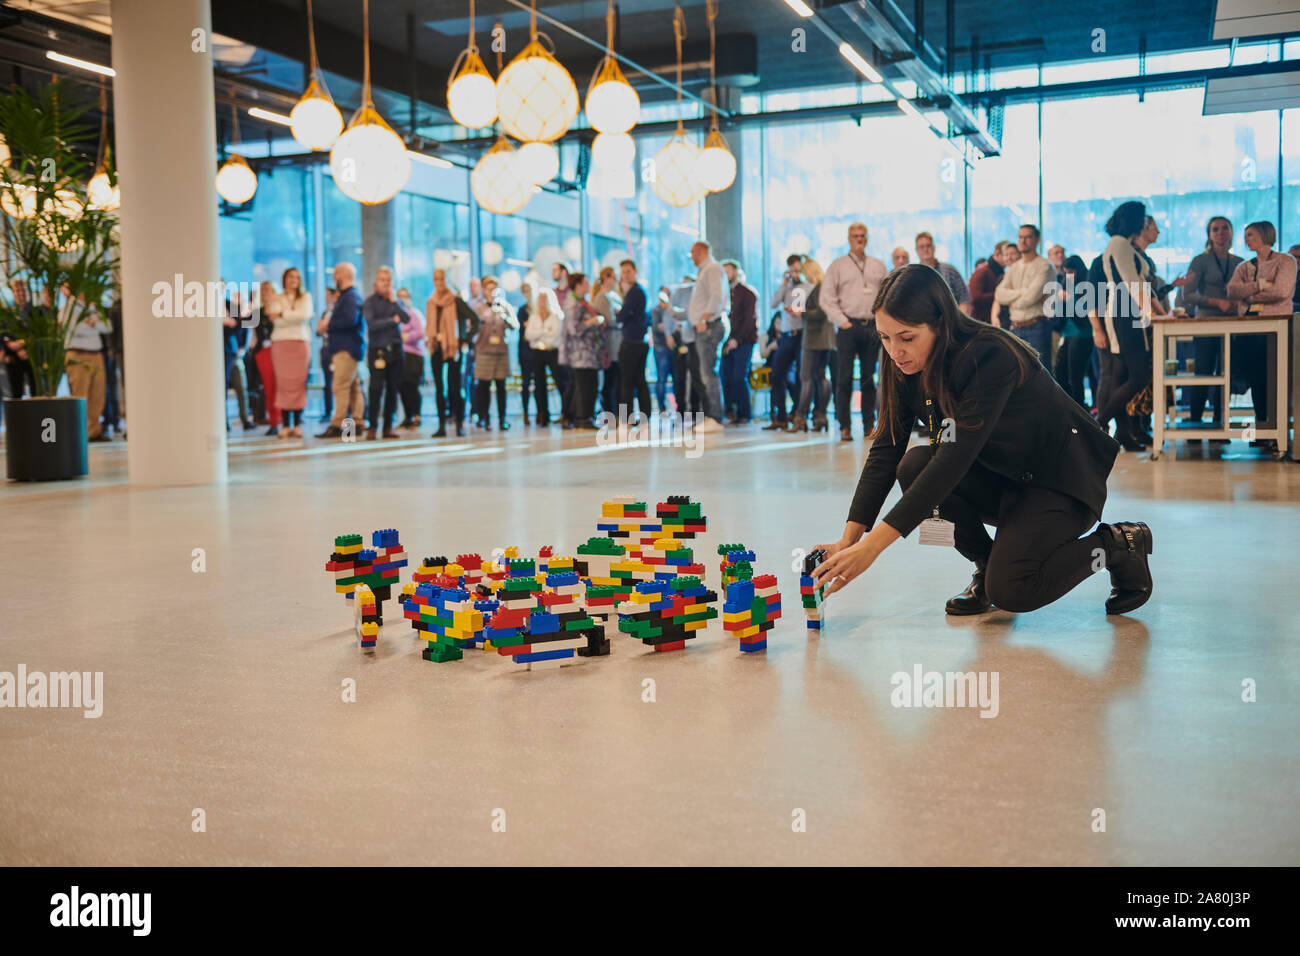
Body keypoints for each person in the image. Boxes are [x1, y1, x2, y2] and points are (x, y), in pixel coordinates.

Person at [809, 264, 1153, 619]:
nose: (895, 350)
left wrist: (872, 549)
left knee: (1013, 591)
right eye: (884, 337)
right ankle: (986, 565)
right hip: (1003, 475)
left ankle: (1118, 544)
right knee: (913, 465)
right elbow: (887, 448)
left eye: (907, 337)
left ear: (941, 324)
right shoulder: (903, 362)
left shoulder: (989, 355)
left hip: (1060, 483)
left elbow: (951, 462)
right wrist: (848, 541)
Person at [1225, 220, 1297, 453]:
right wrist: (1261, 285)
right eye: (1245, 235)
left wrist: (1250, 296)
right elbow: (1232, 291)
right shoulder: (1245, 266)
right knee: (1257, 379)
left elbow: (1282, 291)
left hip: (1277, 327)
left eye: (1251, 234)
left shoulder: (1286, 261)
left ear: (1266, 235)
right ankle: (1263, 431)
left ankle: (1278, 432)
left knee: (1276, 378)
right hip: (1251, 330)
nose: (1247, 239)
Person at [1096, 201, 1156, 452]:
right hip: (1124, 313)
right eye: (1143, 219)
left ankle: (1123, 434)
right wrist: (1151, 314)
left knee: (1122, 374)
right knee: (1139, 376)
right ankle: (1097, 424)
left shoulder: (1123, 244)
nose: (1145, 224)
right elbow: (1132, 283)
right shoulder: (1119, 243)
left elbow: (1138, 283)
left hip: (1128, 311)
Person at [821, 222, 887, 441]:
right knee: (844, 378)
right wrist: (842, 322)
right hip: (847, 327)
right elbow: (826, 299)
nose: (859, 239)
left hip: (871, 326)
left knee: (869, 377)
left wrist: (881, 321)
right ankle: (844, 426)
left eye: (862, 236)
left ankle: (869, 425)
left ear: (867, 239)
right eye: (855, 236)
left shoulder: (877, 265)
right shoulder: (838, 266)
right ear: (849, 239)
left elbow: (887, 294)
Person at [1176, 216, 1243, 430]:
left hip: (1232, 324)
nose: (1220, 232)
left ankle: (1219, 421)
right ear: (1209, 235)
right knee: (1203, 371)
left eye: (1225, 228)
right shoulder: (1199, 261)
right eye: (1215, 229)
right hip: (1206, 323)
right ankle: (1195, 420)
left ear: (1231, 232)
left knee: (1227, 371)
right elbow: (1188, 293)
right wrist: (1216, 302)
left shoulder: (1239, 262)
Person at [993, 224, 1055, 364]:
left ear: (1037, 240)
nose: (1023, 241)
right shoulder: (1014, 267)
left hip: (1037, 327)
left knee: (1041, 375)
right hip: (1015, 327)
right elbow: (999, 295)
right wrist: (1023, 291)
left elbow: (1030, 298)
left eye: (1028, 237)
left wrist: (1012, 296)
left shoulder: (1044, 265)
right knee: (1018, 375)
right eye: (1020, 237)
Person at [318, 263, 365, 439]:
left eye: (336, 274)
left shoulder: (351, 297)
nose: (333, 277)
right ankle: (357, 424)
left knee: (340, 386)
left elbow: (349, 321)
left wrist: (329, 324)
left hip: (347, 348)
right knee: (353, 388)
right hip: (348, 347)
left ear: (343, 275)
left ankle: (339, 425)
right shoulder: (347, 297)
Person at [424, 268, 472, 438]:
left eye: (442, 279)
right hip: (436, 346)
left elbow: (475, 319)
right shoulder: (431, 302)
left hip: (453, 347)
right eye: (436, 279)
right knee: (439, 388)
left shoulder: (456, 300)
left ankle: (459, 424)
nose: (439, 282)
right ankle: (441, 425)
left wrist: (464, 339)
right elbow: (430, 324)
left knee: (455, 387)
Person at [362, 265, 409, 440]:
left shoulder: (396, 301)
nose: (385, 283)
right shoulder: (370, 302)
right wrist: (392, 321)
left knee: (393, 389)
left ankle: (388, 427)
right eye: (382, 280)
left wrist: (394, 302)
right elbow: (372, 324)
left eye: (388, 280)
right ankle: (373, 426)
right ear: (376, 282)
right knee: (375, 389)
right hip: (377, 351)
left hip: (396, 351)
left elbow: (406, 318)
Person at [688, 240, 728, 432]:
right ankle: (711, 415)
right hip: (705, 325)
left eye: (693, 253)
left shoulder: (712, 268)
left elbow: (716, 295)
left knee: (708, 373)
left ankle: (715, 417)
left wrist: (704, 318)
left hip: (710, 325)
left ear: (702, 251)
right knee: (705, 373)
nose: (692, 257)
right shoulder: (706, 270)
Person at [268, 267, 313, 438]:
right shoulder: (276, 298)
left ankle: (298, 423)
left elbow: (304, 316)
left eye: (296, 277)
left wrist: (282, 314)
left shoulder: (306, 297)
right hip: (281, 342)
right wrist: (292, 316)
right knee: (284, 383)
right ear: (284, 279)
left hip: (300, 342)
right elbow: (276, 321)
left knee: (299, 382)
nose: (293, 280)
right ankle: (286, 424)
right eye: (290, 277)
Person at [766, 254, 807, 430]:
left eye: (797, 270)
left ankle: (798, 414)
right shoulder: (786, 287)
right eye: (791, 270)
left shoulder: (808, 286)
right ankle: (781, 417)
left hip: (802, 334)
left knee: (801, 376)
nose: (794, 274)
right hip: (786, 335)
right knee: (776, 375)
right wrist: (784, 284)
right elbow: (773, 303)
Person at [791, 258, 833, 432]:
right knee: (820, 376)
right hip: (825, 337)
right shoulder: (823, 286)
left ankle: (800, 416)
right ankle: (820, 415)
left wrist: (803, 313)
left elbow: (822, 311)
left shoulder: (821, 287)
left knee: (806, 377)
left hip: (815, 335)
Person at [474, 276, 519, 431]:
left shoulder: (505, 307)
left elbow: (515, 326)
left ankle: (502, 419)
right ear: (484, 290)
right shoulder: (479, 308)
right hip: (484, 351)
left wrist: (504, 315)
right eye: (488, 289)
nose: (491, 292)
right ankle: (484, 418)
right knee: (483, 386)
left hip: (501, 351)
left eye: (494, 289)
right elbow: (473, 329)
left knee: (501, 387)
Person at [63, 292, 109, 442]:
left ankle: (94, 432)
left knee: (98, 396)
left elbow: (107, 327)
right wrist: (96, 324)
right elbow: (77, 330)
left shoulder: (93, 307)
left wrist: (93, 323)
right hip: (78, 355)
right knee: (80, 395)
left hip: (96, 354)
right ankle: (80, 432)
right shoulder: (69, 308)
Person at [562, 272, 604, 429]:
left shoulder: (581, 301)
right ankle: (581, 417)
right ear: (578, 285)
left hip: (588, 352)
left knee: (587, 384)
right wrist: (592, 322)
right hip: (579, 353)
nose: (588, 286)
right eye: (585, 283)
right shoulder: (573, 303)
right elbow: (574, 329)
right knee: (583, 385)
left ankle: (581, 416)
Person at [1051, 255, 1094, 409]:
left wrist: (1069, 299)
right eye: (1065, 272)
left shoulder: (1087, 285)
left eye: (1071, 272)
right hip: (1067, 334)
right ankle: (1069, 409)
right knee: (1061, 374)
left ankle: (1079, 411)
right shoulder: (1066, 285)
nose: (1068, 275)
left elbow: (1087, 312)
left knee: (1076, 377)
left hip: (1082, 335)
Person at [721, 259, 757, 425]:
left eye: (728, 271)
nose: (726, 274)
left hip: (744, 341)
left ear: (736, 272)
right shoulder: (722, 294)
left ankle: (744, 413)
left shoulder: (747, 293)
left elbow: (749, 321)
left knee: (738, 376)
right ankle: (730, 411)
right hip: (725, 342)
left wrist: (737, 339)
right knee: (725, 376)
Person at [615, 259, 651, 422]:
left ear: (635, 272)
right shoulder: (637, 291)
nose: (626, 275)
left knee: (628, 383)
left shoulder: (634, 292)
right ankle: (644, 417)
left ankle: (626, 419)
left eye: (628, 271)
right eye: (623, 272)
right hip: (638, 342)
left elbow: (621, 316)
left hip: (631, 343)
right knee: (639, 381)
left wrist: (619, 312)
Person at [663, 275, 702, 418]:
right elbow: (669, 315)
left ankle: (695, 410)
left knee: (695, 375)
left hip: (694, 339)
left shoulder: (698, 294)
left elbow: (685, 314)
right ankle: (681, 409)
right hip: (679, 339)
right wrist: (669, 333)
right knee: (679, 376)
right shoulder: (677, 294)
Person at [525, 286, 563, 426]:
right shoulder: (533, 317)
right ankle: (543, 414)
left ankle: (565, 412)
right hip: (537, 353)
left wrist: (539, 333)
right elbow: (529, 335)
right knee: (539, 384)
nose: (542, 301)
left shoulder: (556, 316)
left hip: (552, 351)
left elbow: (555, 335)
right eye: (540, 298)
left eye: (544, 298)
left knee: (559, 381)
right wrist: (544, 331)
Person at [248, 281, 280, 436]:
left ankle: (286, 420)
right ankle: (274, 421)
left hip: (280, 350)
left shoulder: (280, 310)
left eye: (268, 289)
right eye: (263, 290)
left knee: (282, 386)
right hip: (263, 352)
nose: (265, 292)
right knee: (269, 388)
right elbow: (250, 331)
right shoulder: (256, 312)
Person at [915, 232, 971, 315]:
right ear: (916, 250)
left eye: (928, 246)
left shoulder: (950, 271)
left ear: (934, 248)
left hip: (950, 321)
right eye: (921, 247)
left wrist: (959, 324)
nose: (925, 249)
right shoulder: (913, 276)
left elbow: (964, 300)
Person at [223, 291, 255, 431]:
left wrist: (243, 348)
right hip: (221, 355)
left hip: (234, 354)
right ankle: (223, 421)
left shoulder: (231, 308)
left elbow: (239, 326)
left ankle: (245, 419)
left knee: (242, 388)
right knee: (222, 389)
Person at [592, 266, 622, 415]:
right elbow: (610, 320)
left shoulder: (614, 295)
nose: (616, 280)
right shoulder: (602, 297)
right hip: (610, 344)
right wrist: (622, 318)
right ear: (606, 278)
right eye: (613, 277)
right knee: (611, 378)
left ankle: (615, 411)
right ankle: (610, 411)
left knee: (616, 378)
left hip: (617, 342)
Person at [396, 287, 425, 430]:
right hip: (400, 356)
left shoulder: (414, 313)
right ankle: (407, 417)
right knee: (402, 387)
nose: (402, 299)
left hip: (414, 355)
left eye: (405, 296)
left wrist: (407, 337)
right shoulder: (397, 315)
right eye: (399, 296)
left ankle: (417, 416)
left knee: (412, 386)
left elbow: (420, 332)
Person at [649, 285, 675, 413]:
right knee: (661, 378)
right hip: (661, 347)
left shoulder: (672, 310)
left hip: (673, 348)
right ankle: (661, 407)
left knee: (676, 378)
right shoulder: (655, 310)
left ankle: (677, 406)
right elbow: (657, 327)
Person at [968, 242, 1006, 325]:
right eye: (1006, 254)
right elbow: (975, 297)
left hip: (991, 321)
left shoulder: (998, 271)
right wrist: (1000, 294)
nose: (1009, 258)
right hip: (981, 322)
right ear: (997, 254)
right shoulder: (983, 271)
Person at [315, 288, 337, 424]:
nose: (326, 298)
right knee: (327, 382)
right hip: (325, 348)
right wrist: (322, 327)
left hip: (336, 348)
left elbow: (331, 328)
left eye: (329, 295)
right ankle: (328, 411)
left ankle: (344, 414)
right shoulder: (325, 313)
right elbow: (319, 331)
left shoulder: (339, 311)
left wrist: (325, 326)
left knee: (339, 383)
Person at [517, 282, 535, 425]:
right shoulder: (522, 311)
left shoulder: (539, 309)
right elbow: (525, 330)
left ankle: (542, 412)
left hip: (537, 349)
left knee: (539, 382)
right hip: (525, 350)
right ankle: (526, 412)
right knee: (526, 382)